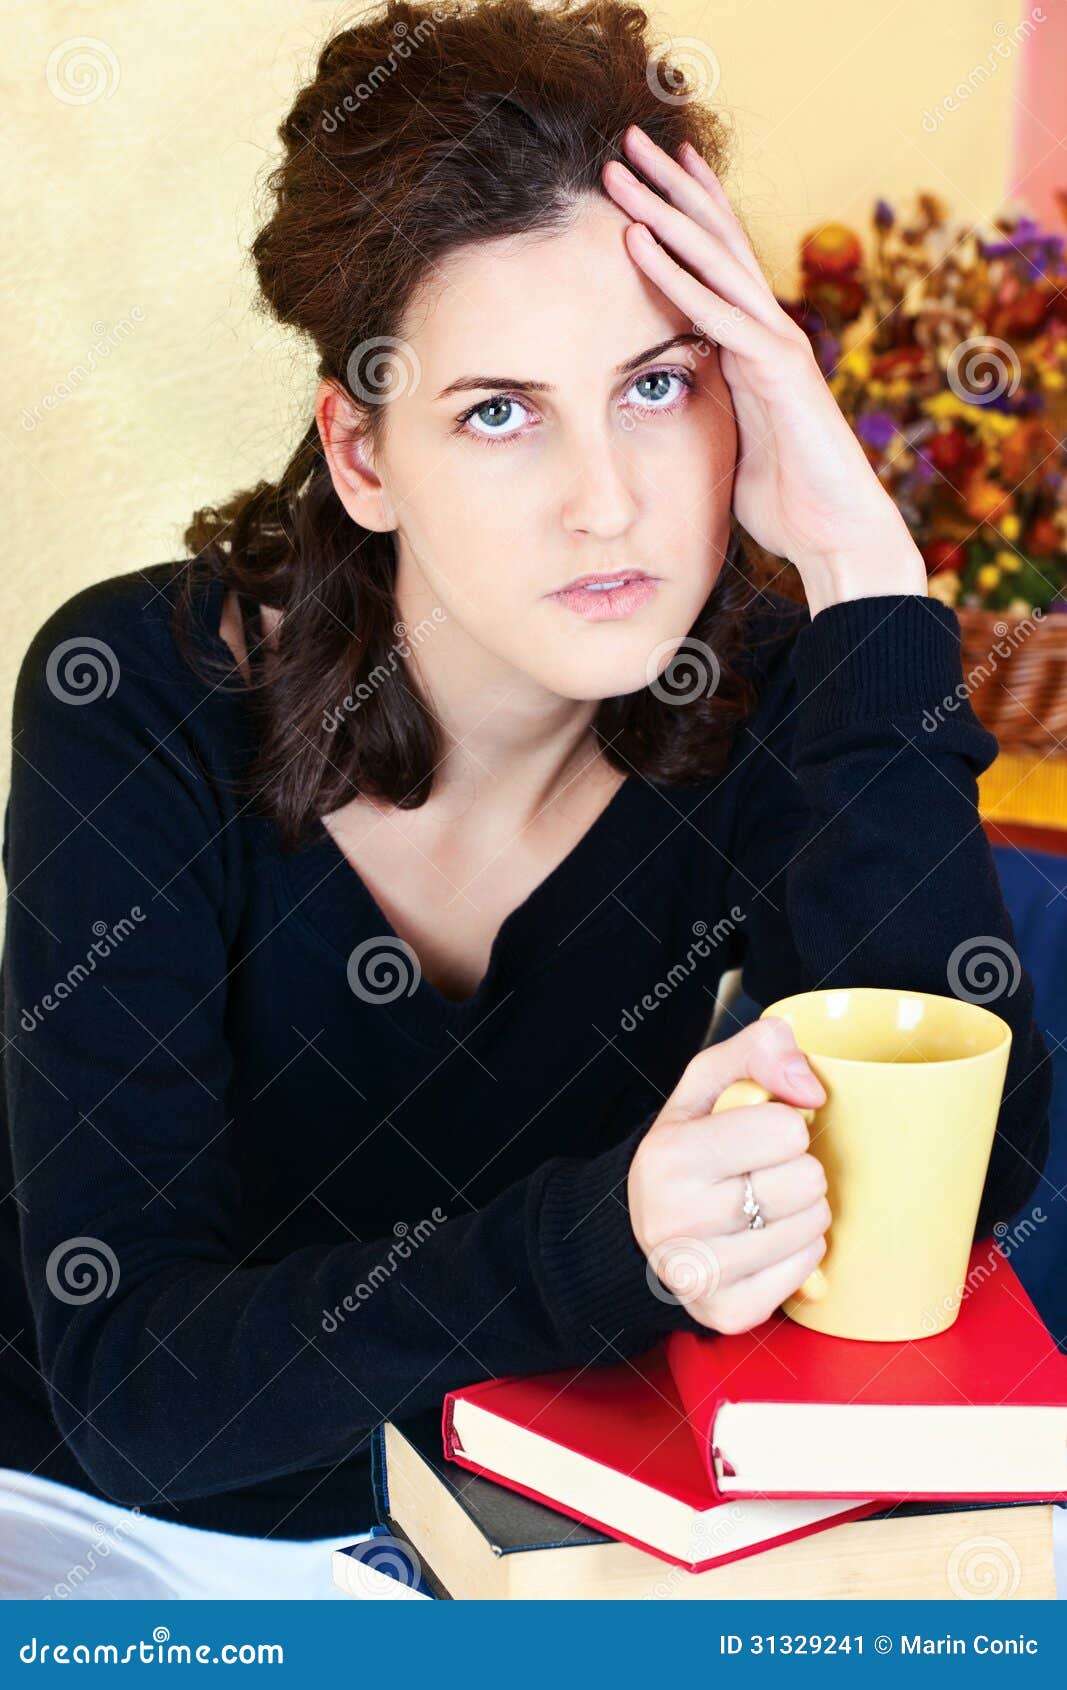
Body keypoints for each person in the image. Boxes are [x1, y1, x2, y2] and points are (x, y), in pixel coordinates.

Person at [0, 0, 1051, 1600]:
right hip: (108, 1528)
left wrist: (862, 573)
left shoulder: (770, 689)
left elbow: (969, 1181)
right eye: (499, 409)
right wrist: (607, 1243)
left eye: (658, 385)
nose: (608, 500)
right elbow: (142, 1390)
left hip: (501, 1544)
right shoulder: (134, 699)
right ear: (361, 450)